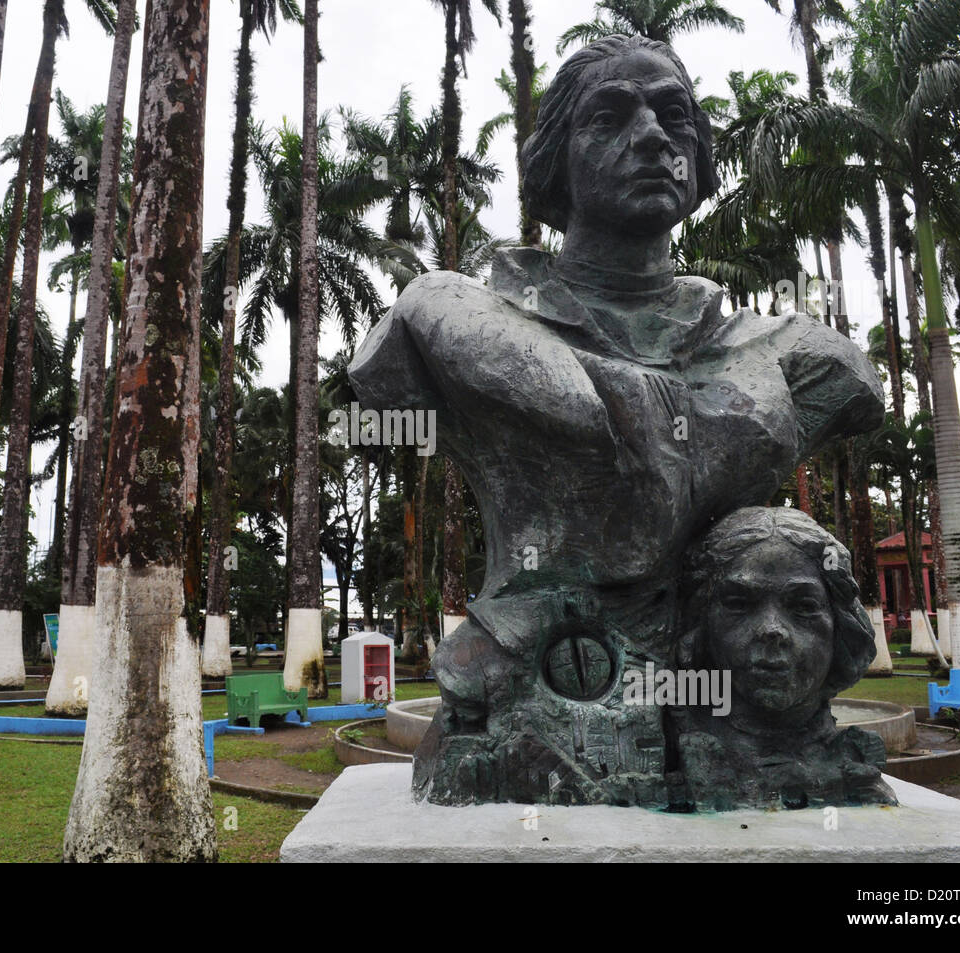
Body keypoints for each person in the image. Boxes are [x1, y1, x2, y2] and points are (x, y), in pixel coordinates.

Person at [348, 34, 885, 805]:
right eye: (611, 116)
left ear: (697, 161)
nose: (654, 136)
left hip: (729, 736)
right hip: (525, 706)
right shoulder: (448, 317)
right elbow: (558, 401)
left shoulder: (794, 355)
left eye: (674, 115)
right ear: (553, 164)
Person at [671, 507, 897, 810]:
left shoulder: (855, 769)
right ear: (701, 620)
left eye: (803, 606)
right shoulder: (664, 749)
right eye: (739, 604)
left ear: (842, 626)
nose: (772, 630)